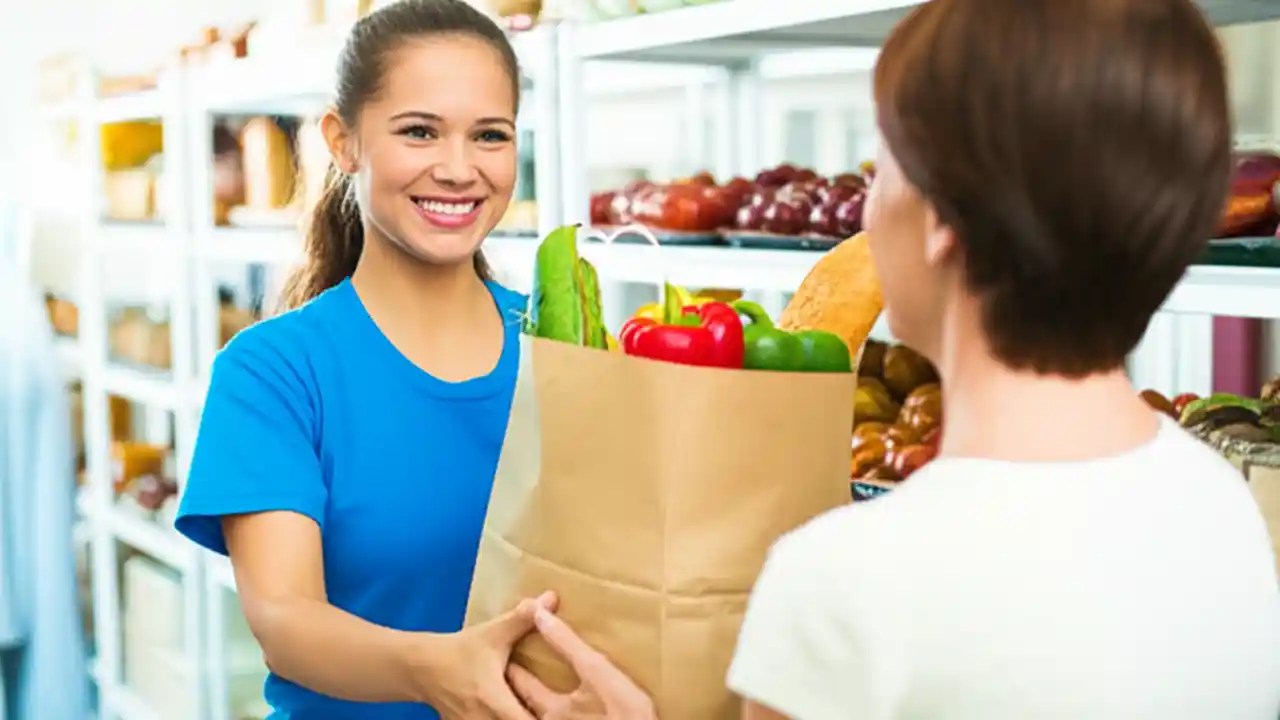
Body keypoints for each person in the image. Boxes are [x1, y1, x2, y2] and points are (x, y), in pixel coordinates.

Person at [506, 0, 1280, 718]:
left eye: (883, 171)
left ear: (943, 221)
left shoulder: (844, 582)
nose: (871, 209)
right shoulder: (1224, 506)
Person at [174, 2, 554, 718]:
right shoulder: (274, 373)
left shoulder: (565, 347)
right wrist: (435, 669)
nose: (458, 168)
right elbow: (286, 623)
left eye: (490, 136)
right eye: (419, 131)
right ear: (342, 142)